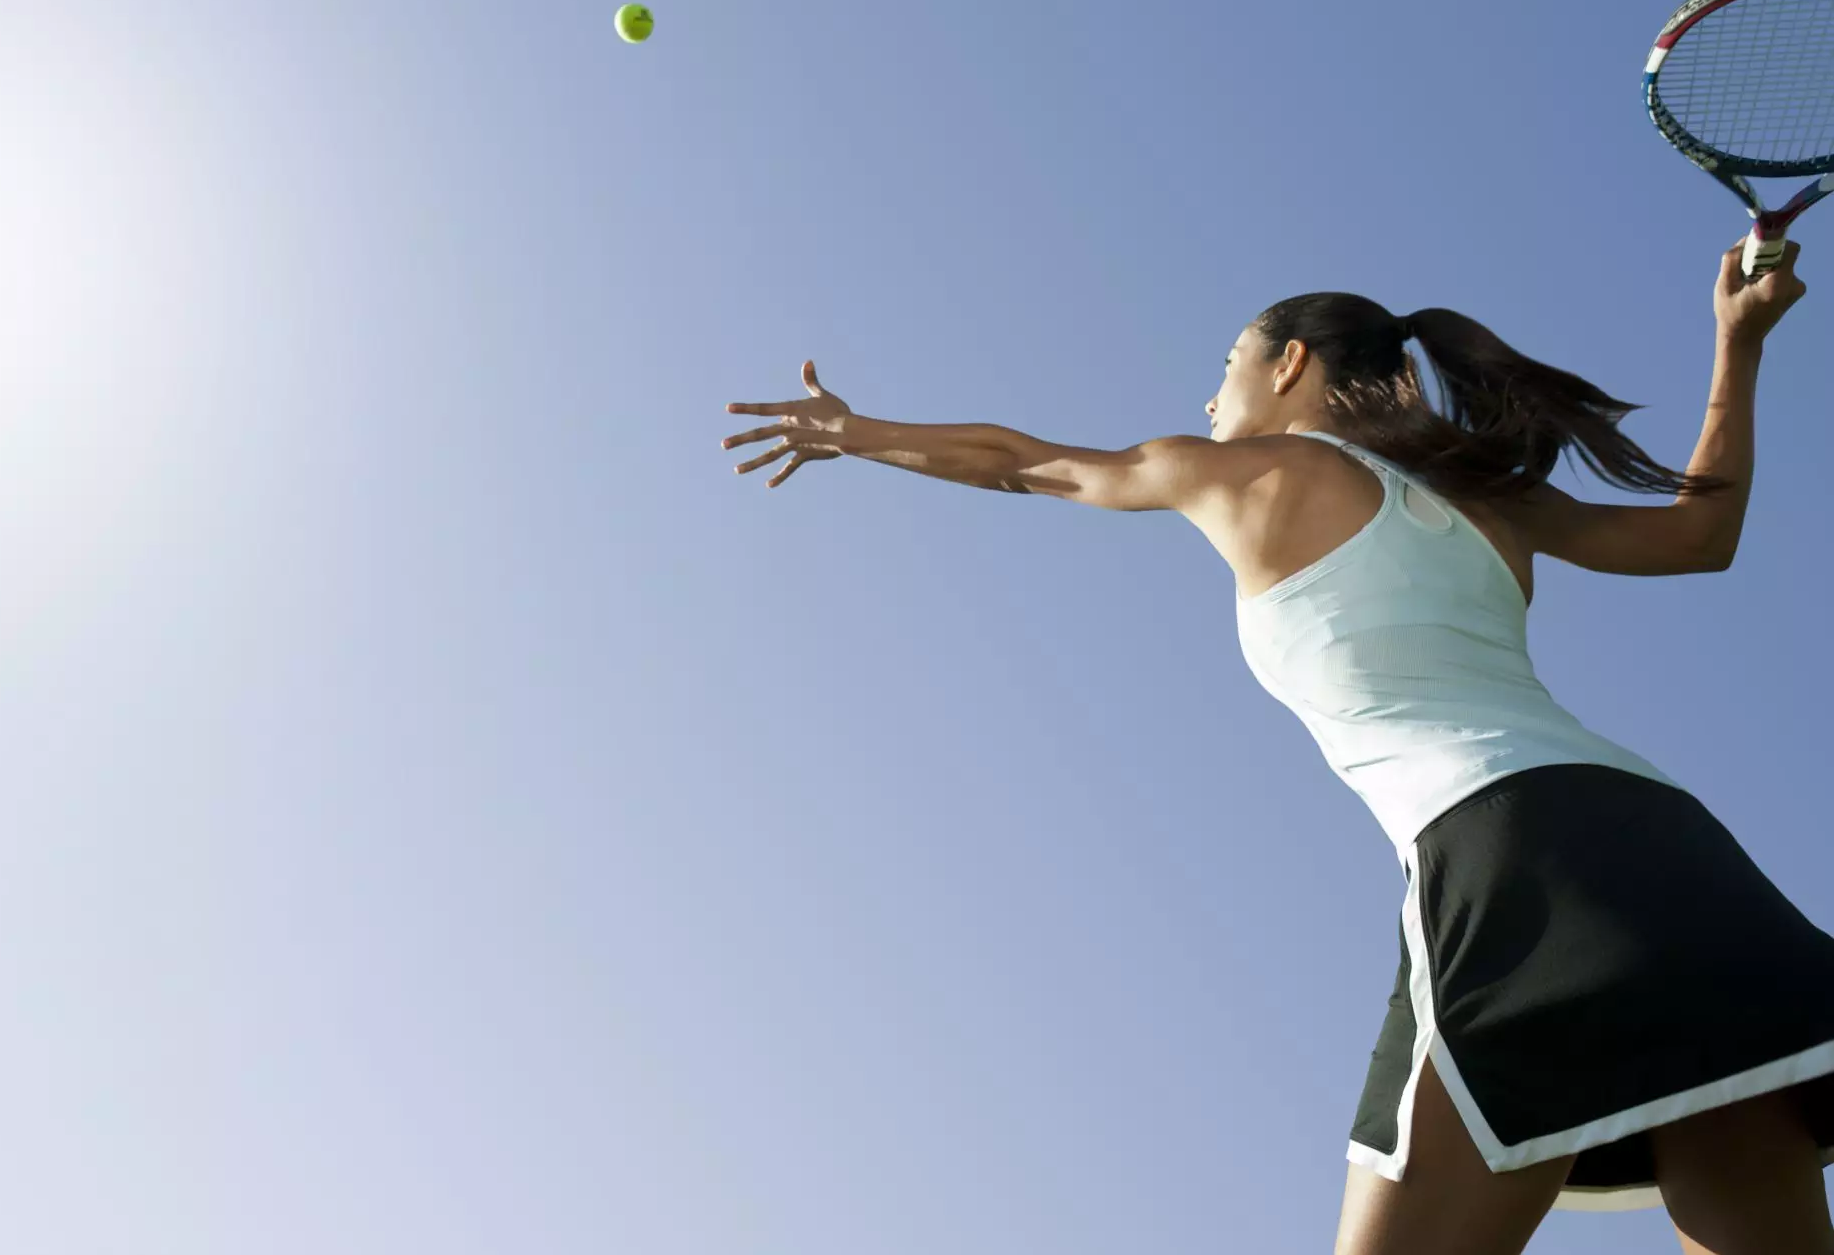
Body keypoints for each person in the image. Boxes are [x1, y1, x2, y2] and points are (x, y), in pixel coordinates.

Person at [721, 240, 1834, 1254]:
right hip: (1668, 843)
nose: (1211, 394)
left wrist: (856, 434)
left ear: (1291, 364)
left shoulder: (1244, 474)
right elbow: (1699, 538)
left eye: (1228, 363)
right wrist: (1737, 347)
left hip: (1507, 850)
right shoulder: (1491, 499)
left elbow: (1023, 462)